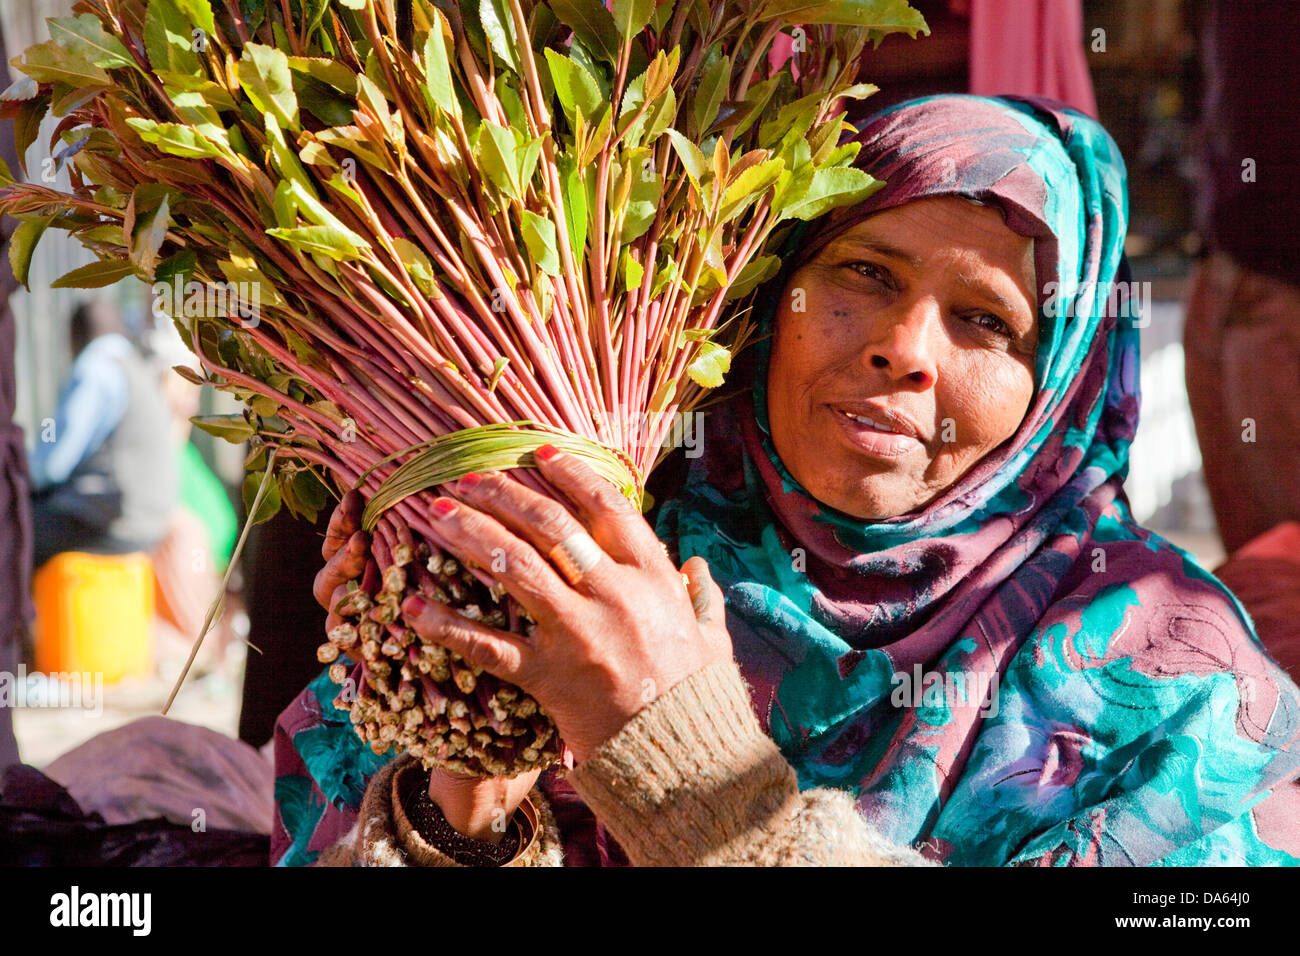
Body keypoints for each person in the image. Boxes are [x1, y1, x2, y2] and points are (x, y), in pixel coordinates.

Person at [276, 94, 1300, 867]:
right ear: (767, 301)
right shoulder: (598, 568)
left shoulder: (1184, 690)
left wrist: (680, 756)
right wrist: (468, 766)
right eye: (863, 273)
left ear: (1065, 381)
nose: (905, 349)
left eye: (984, 319)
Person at [29, 300, 176, 571]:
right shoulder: (134, 365)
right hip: (149, 524)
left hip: (113, 522)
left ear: (75, 335)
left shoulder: (96, 366)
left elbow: (51, 465)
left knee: (13, 527)